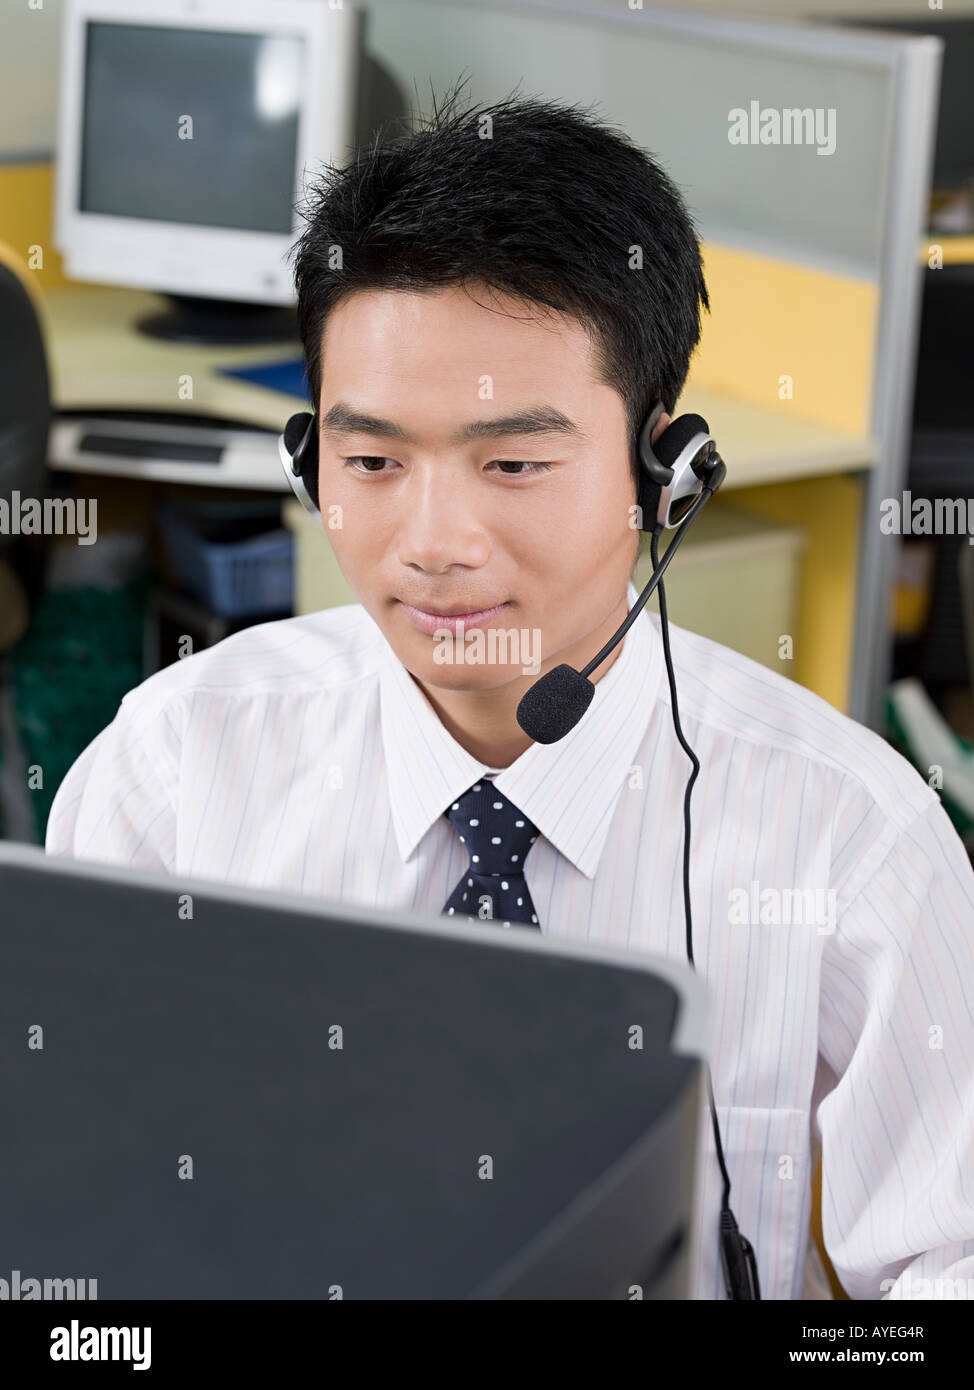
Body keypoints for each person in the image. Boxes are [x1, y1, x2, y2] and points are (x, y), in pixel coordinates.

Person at [46, 88, 974, 1301]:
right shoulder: (173, 771)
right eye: (370, 461)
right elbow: (79, 1221)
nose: (433, 543)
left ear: (661, 472)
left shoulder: (849, 835)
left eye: (514, 464)